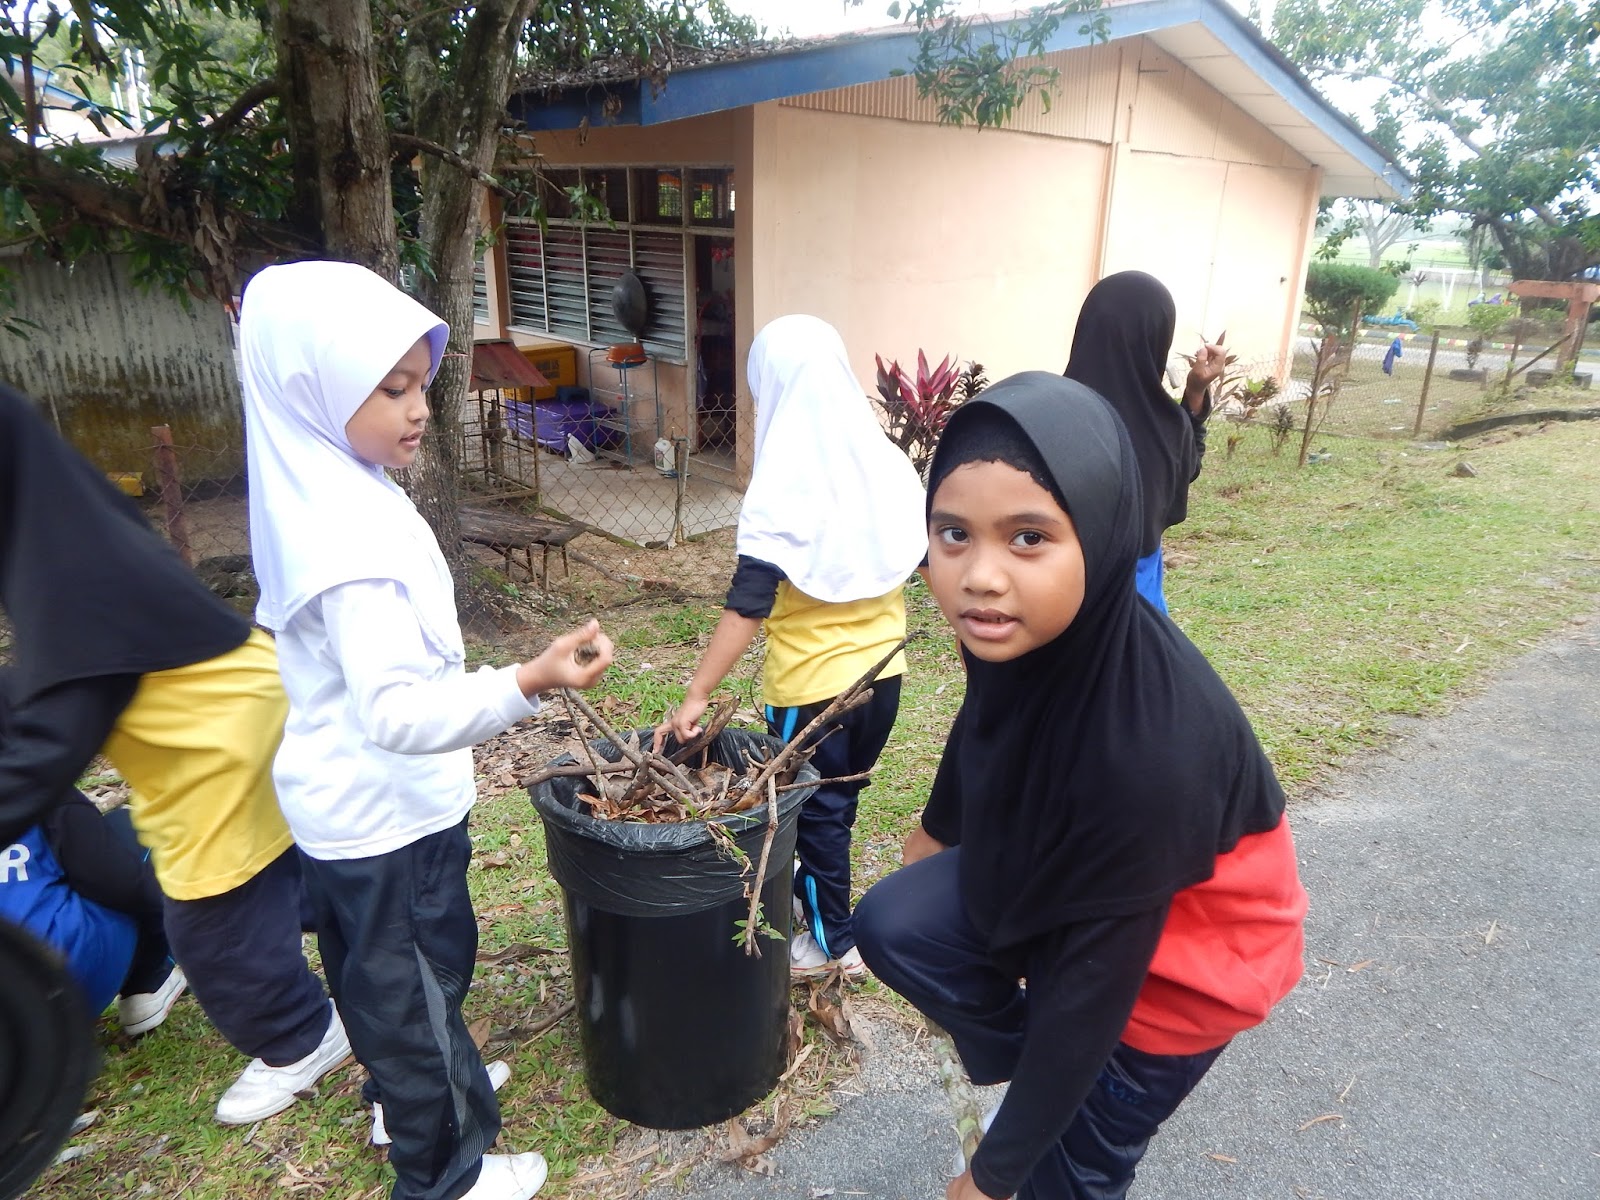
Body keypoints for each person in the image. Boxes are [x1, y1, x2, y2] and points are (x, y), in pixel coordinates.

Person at [854, 373, 1308, 1200]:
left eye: (1028, 538)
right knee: (896, 919)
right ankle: (1040, 1079)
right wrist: (940, 827)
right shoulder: (1033, 630)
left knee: (1071, 1172)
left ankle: (1069, 1114)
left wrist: (991, 1178)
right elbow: (986, 712)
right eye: (953, 534)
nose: (980, 575)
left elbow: (1092, 996)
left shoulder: (1149, 756)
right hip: (1085, 887)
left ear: (1100, 537)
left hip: (1183, 969)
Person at [240, 259, 615, 1200]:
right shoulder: (348, 544)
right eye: (393, 388)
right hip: (385, 822)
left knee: (400, 984)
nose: (418, 410)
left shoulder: (324, 486)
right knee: (410, 993)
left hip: (369, 816)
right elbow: (398, 713)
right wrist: (526, 682)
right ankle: (444, 1168)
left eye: (422, 386)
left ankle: (408, 1086)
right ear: (314, 390)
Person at [0, 382, 348, 1126]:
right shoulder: (65, 521)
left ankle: (304, 1036)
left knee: (208, 923)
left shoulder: (62, 565)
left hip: (217, 738)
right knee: (269, 874)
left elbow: (54, 739)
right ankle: (377, 944)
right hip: (231, 712)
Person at [655, 314, 925, 978]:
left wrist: (696, 693)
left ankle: (833, 942)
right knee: (841, 804)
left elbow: (749, 601)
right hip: (885, 676)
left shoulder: (783, 483)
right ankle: (829, 913)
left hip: (812, 691)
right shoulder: (884, 464)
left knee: (811, 817)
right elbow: (923, 555)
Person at [1064, 271, 1226, 612]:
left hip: (1055, 595)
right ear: (1157, 338)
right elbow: (1187, 467)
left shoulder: (1051, 410)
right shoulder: (1162, 422)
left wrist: (1194, 394)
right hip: (1137, 604)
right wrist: (1194, 394)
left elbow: (1184, 466)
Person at [0, 782, 184, 1032]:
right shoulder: (33, 778)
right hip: (60, 987)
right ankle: (148, 981)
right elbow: (116, 882)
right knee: (130, 829)